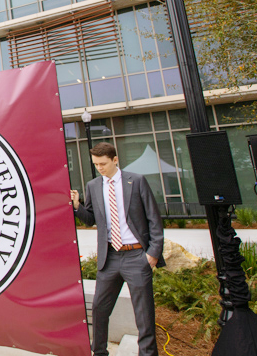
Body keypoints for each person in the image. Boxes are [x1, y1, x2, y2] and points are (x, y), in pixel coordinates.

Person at [70, 142, 164, 356]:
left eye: (103, 163)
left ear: (115, 160)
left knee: (144, 315)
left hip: (137, 256)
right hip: (109, 257)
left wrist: (152, 254)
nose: (100, 168)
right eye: (96, 164)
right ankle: (100, 352)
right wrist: (77, 206)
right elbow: (91, 219)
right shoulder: (93, 185)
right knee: (99, 310)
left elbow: (154, 219)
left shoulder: (137, 181)